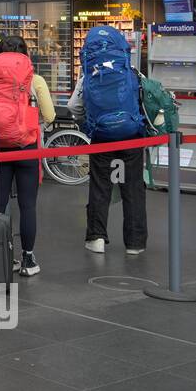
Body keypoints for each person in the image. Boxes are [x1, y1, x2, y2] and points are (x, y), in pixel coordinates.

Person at [69, 25, 148, 257]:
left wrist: (87, 124)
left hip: (102, 136)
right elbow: (142, 99)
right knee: (133, 187)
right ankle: (135, 243)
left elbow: (74, 106)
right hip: (131, 137)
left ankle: (96, 238)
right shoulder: (130, 71)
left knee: (100, 186)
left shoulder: (88, 75)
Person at [0, 35, 55, 277]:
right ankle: (28, 259)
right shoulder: (35, 79)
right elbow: (50, 115)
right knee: (27, 205)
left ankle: (1, 256)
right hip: (27, 146)